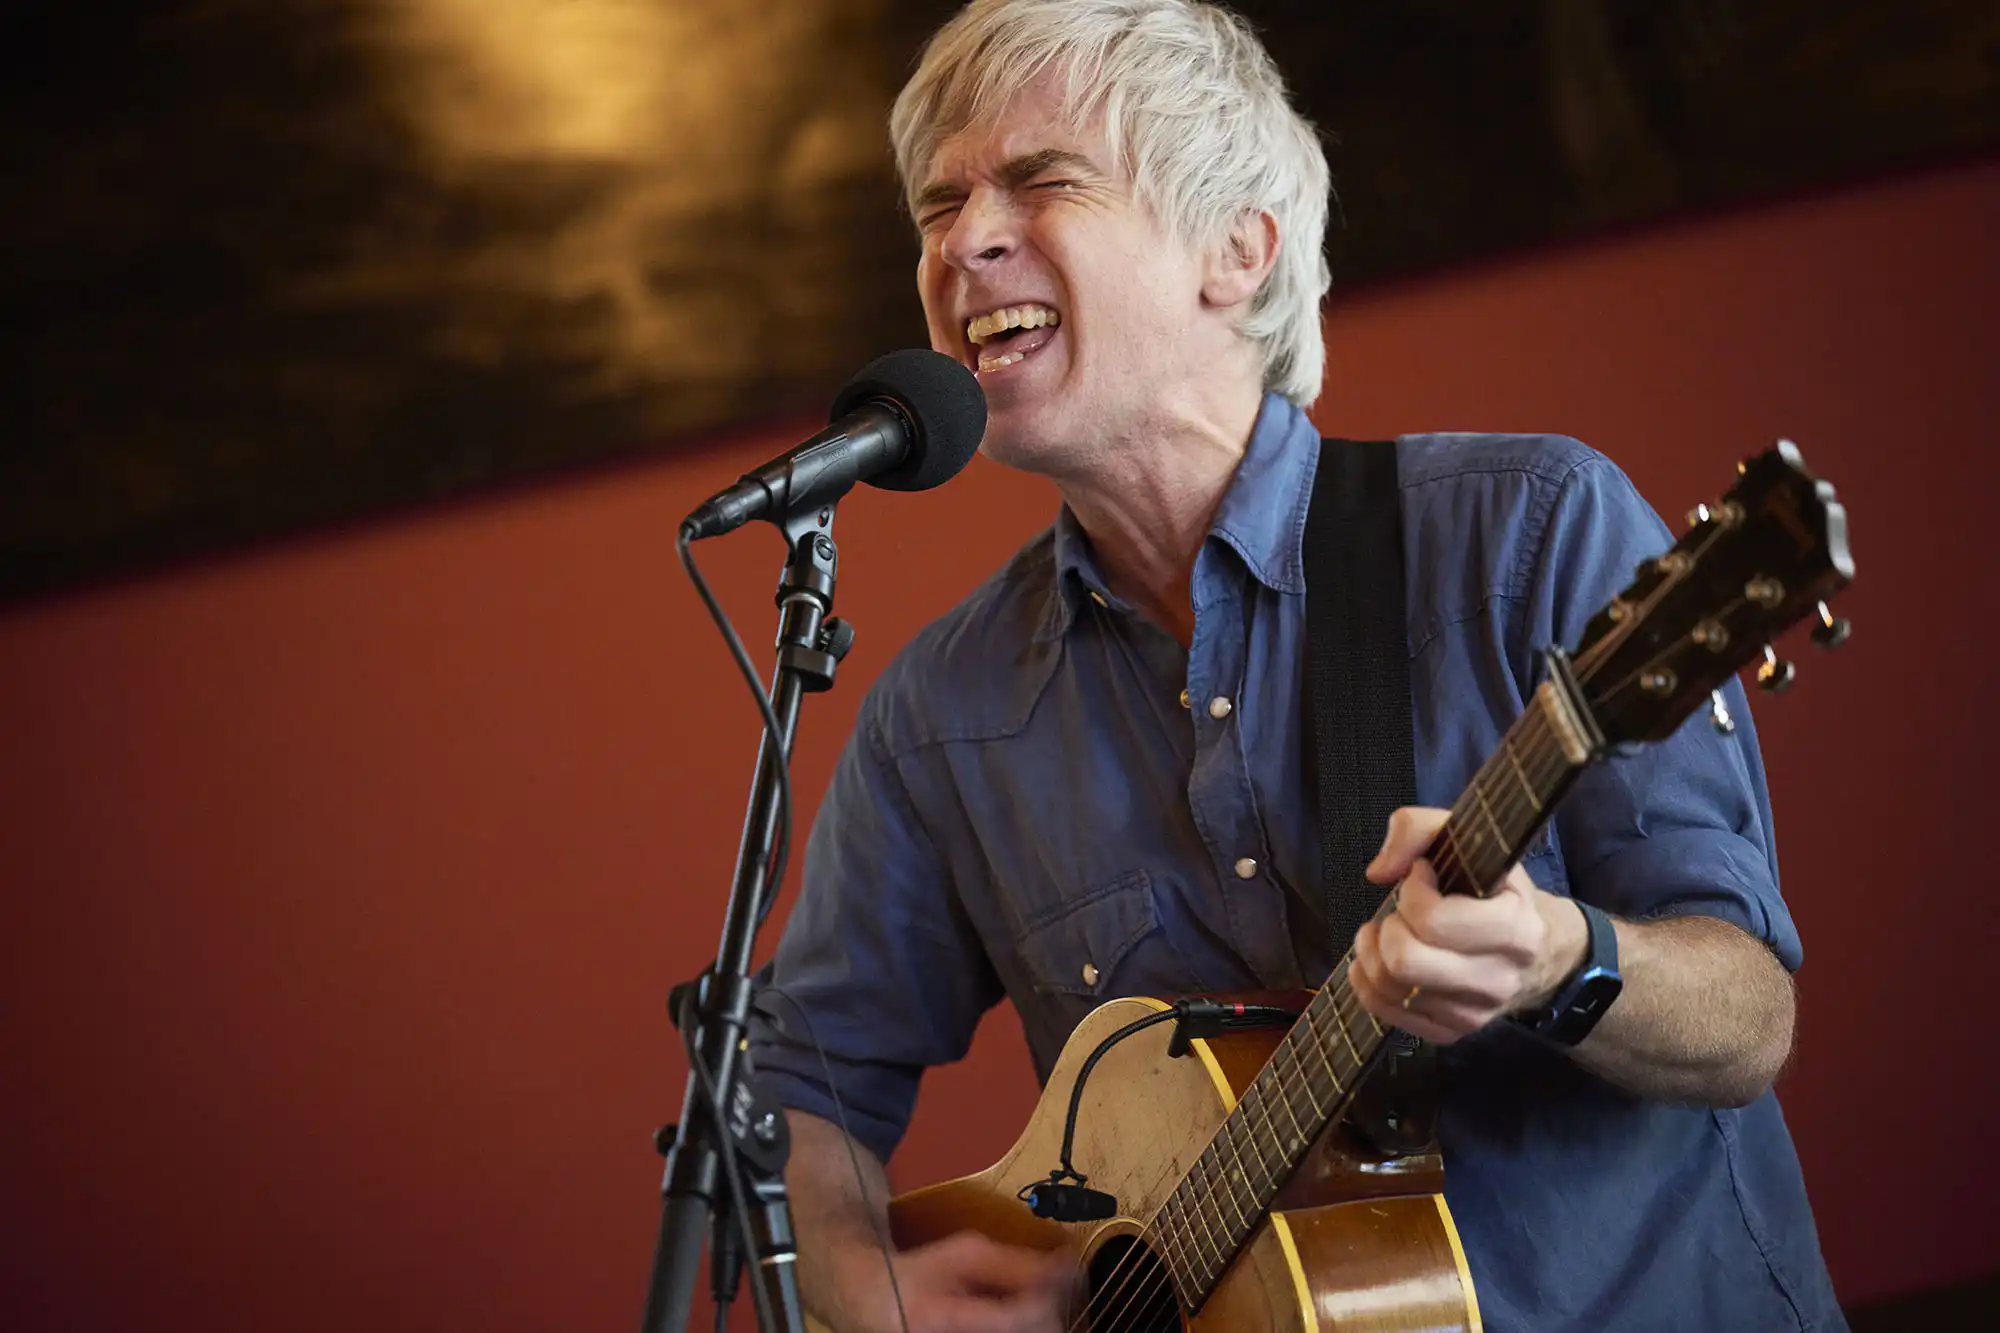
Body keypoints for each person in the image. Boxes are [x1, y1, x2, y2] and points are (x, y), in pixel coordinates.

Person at [747, 2, 1846, 1330]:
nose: (964, 240)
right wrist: (864, 1291)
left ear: (1236, 250)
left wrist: (1563, 960)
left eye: (1041, 182)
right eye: (940, 204)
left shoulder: (1532, 527)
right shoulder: (940, 719)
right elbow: (793, 1094)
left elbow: (1748, 1020)